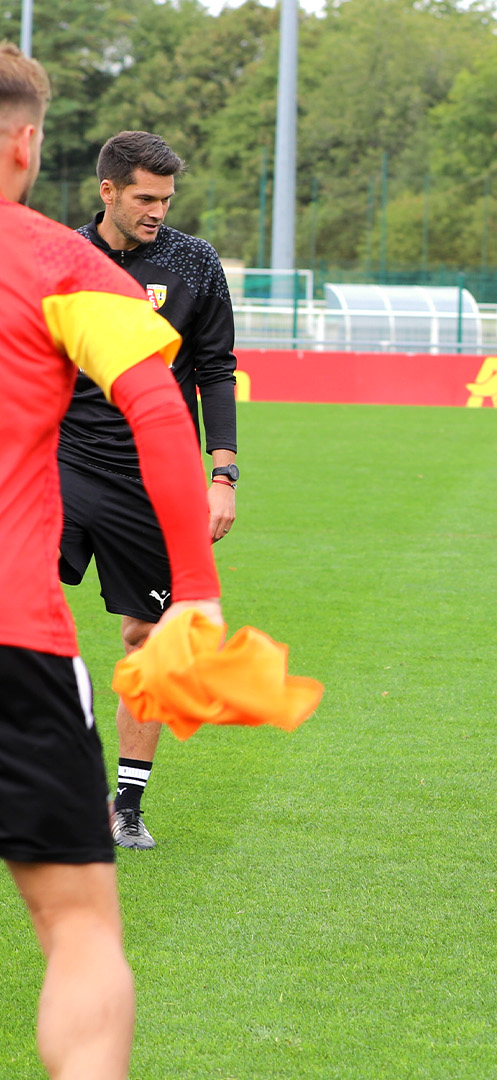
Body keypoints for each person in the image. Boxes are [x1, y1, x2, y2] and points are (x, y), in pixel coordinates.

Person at [0, 43, 222, 1079]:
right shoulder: (55, 263)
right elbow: (156, 411)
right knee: (82, 930)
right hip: (12, 635)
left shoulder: (180, 262)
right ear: (28, 144)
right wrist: (202, 593)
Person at [61, 130, 238, 851]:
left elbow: (218, 367)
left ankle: (125, 803)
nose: (157, 211)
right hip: (63, 462)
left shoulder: (194, 262)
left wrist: (222, 473)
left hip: (153, 479)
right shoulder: (65, 259)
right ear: (107, 190)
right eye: (143, 198)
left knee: (148, 637)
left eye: (166, 199)